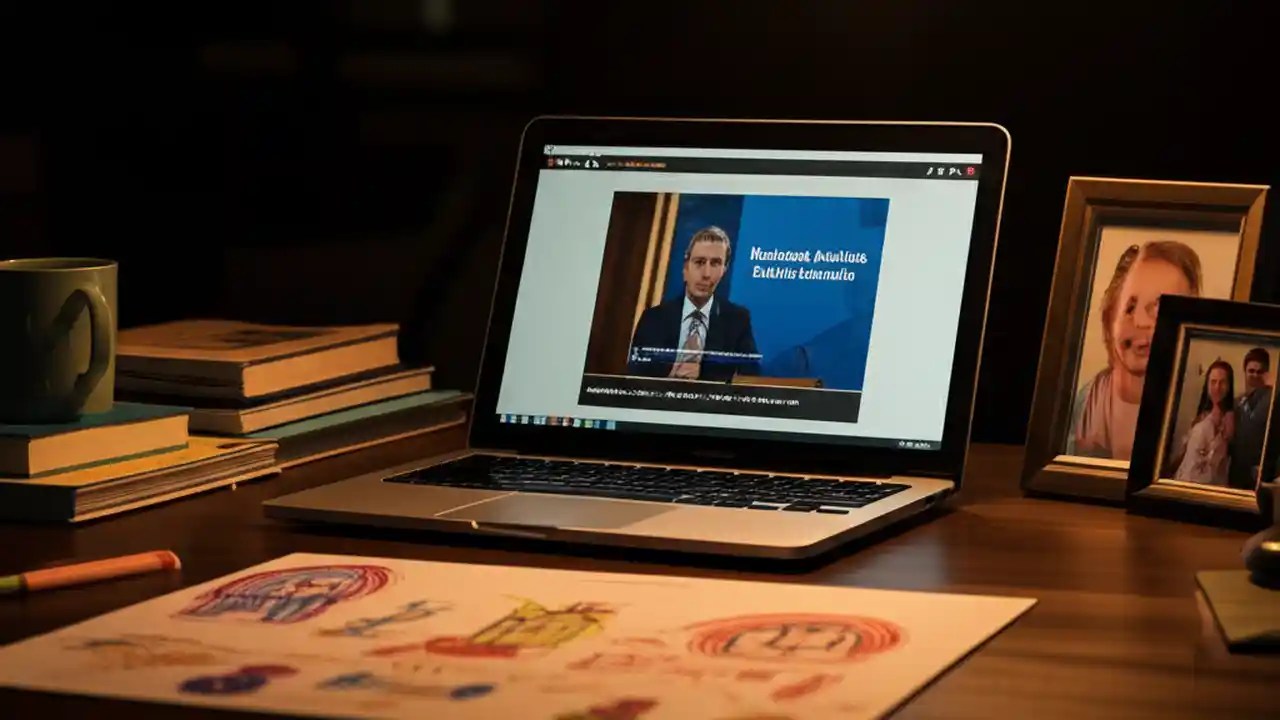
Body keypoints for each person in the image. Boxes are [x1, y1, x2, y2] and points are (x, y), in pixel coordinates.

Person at [1067, 240, 1203, 461]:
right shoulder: (1083, 404)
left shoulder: (1198, 410)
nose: (1140, 321)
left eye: (1159, 309)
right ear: (1110, 318)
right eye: (1129, 308)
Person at [626, 226, 761, 381]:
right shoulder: (653, 319)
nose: (706, 274)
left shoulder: (737, 320)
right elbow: (634, 376)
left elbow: (751, 379)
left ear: (724, 270)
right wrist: (669, 377)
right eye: (699, 262)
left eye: (715, 263)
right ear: (686, 267)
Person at [1172, 359, 1235, 485]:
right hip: (1186, 480)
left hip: (1213, 486)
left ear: (1229, 386)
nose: (1217, 387)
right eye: (1213, 382)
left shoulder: (1232, 419)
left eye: (1222, 382)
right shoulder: (1200, 417)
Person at [1229, 347, 1272, 490]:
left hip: (1262, 476)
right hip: (1235, 474)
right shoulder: (1236, 402)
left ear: (1266, 373)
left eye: (1259, 372)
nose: (1255, 375)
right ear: (1245, 372)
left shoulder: (1273, 402)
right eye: (1251, 371)